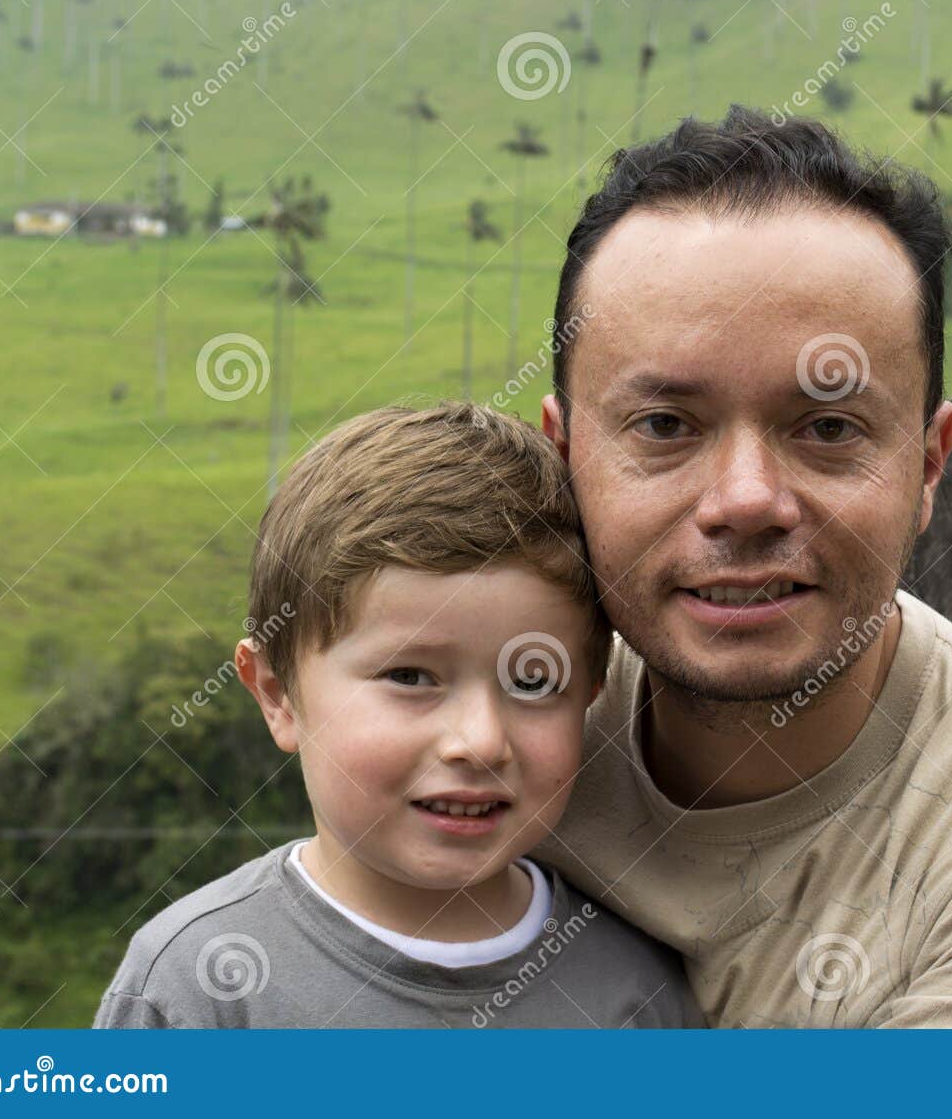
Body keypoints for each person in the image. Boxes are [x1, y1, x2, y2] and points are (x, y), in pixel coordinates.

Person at [533, 106, 952, 1027]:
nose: (746, 500)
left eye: (828, 428)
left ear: (928, 465)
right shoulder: (480, 722)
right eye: (664, 425)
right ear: (565, 454)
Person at [95, 403, 702, 1028]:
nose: (480, 742)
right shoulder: (195, 989)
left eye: (533, 682)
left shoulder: (638, 992)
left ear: (591, 694)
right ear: (278, 695)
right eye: (410, 677)